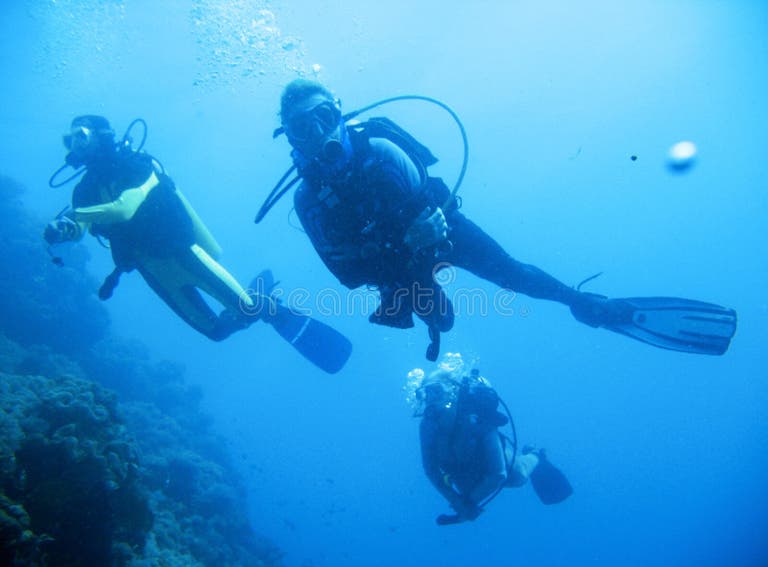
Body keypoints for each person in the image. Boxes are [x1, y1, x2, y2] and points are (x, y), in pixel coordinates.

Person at [267, 79, 737, 360]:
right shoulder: (308, 202)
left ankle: (590, 305)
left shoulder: (381, 150)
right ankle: (431, 322)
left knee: (513, 272)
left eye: (323, 116)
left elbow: (438, 197)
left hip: (439, 237)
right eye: (301, 128)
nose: (317, 133)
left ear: (339, 113)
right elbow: (348, 277)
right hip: (397, 268)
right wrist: (404, 248)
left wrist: (432, 223)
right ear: (290, 139)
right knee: (441, 321)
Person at [44, 115, 351, 373]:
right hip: (153, 271)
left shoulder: (138, 166)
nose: (75, 147)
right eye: (68, 141)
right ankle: (252, 304)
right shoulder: (82, 193)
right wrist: (65, 230)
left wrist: (75, 215)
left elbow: (125, 208)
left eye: (80, 137)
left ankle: (270, 309)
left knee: (249, 310)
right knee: (217, 332)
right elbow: (81, 228)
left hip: (182, 255)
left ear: (101, 135)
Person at [408, 354, 572, 524]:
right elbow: (430, 470)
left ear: (452, 391)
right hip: (462, 468)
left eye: (436, 391)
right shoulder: (427, 427)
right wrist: (458, 502)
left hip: (494, 464)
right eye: (425, 394)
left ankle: (535, 454)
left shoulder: (475, 419)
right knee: (468, 488)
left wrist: (468, 504)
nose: (431, 401)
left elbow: (498, 474)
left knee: (518, 476)